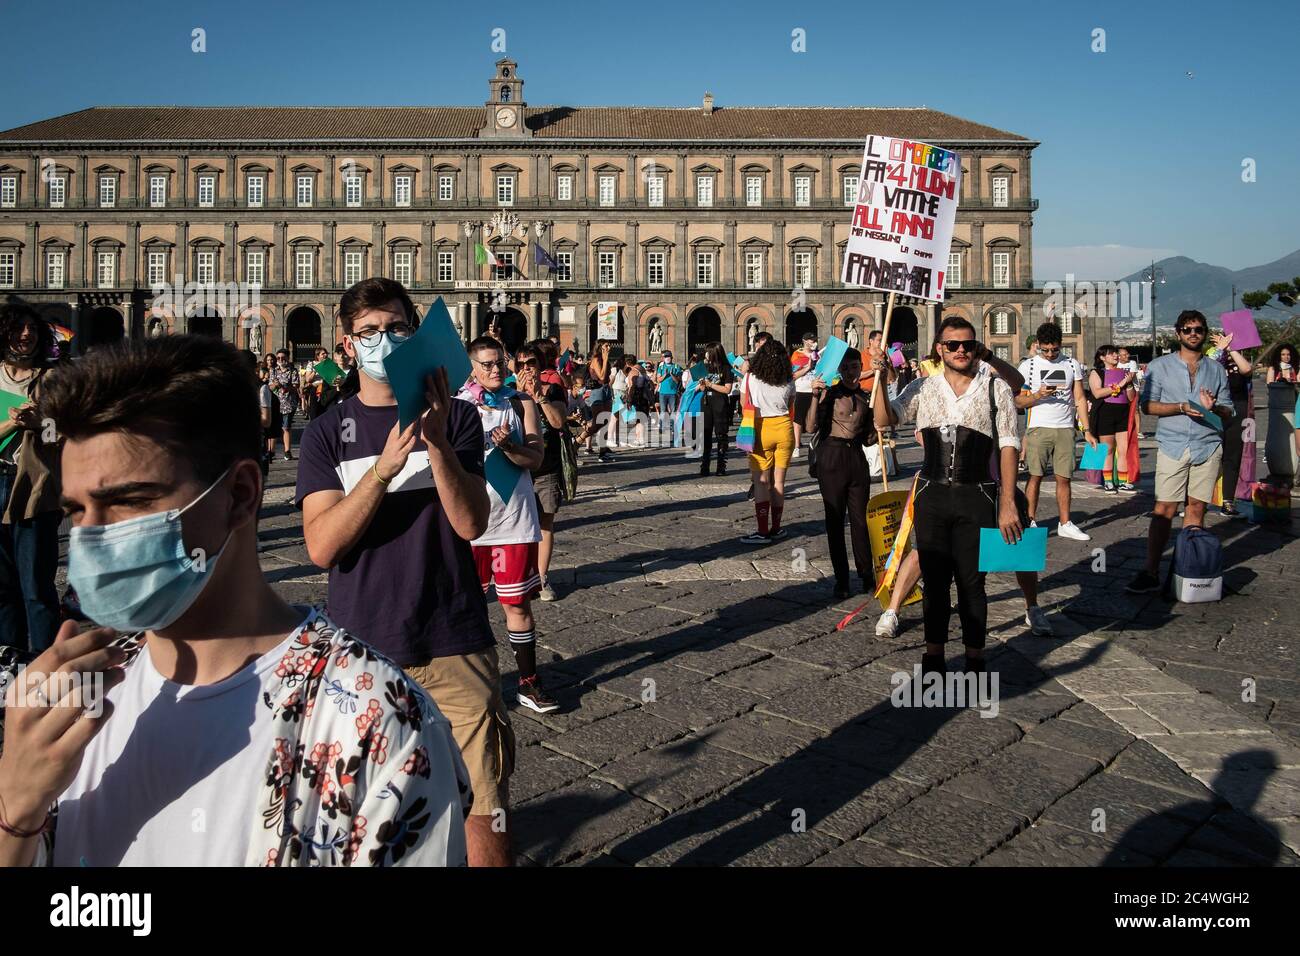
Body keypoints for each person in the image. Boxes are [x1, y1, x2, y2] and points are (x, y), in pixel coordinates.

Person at [0, 333, 470, 867]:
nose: (93, 538)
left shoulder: (380, 725)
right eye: (77, 511)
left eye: (127, 501)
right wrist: (16, 810)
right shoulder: (72, 698)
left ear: (241, 494)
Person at [296, 277, 512, 867]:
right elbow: (321, 546)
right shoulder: (324, 434)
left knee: (482, 803)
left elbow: (470, 523)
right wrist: (383, 470)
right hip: (361, 646)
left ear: (415, 335)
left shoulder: (460, 418)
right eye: (367, 333)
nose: (382, 341)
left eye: (394, 328)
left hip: (453, 639)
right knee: (362, 809)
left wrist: (437, 443)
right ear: (346, 345)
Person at [873, 317, 1021, 673]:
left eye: (967, 345)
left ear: (976, 348)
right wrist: (879, 378)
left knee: (973, 582)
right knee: (936, 582)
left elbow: (1010, 445)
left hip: (978, 495)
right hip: (932, 494)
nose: (960, 351)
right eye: (952, 345)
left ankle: (974, 658)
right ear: (939, 348)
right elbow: (884, 420)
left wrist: (1008, 502)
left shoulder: (994, 388)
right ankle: (934, 656)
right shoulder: (923, 388)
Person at [457, 337, 558, 715]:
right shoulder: (457, 406)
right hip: (469, 523)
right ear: (472, 369)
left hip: (514, 519)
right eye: (487, 364)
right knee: (466, 607)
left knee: (517, 604)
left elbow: (535, 457)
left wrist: (511, 448)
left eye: (500, 362)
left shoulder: (521, 402)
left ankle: (529, 682)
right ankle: (474, 684)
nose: (496, 369)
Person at [1126, 310, 1233, 594]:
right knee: (1164, 509)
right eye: (1187, 330)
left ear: (1205, 332)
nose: (1193, 334)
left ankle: (1188, 568)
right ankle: (1150, 570)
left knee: (1197, 508)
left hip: (1208, 444)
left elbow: (1229, 409)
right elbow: (1147, 406)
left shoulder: (1216, 369)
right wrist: (1181, 407)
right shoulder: (1160, 367)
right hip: (1173, 444)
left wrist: (1215, 408)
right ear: (1178, 334)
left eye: (1198, 329)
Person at [0, 301, 65, 653]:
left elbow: (64, 434)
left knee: (36, 586)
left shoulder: (51, 379)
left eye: (32, 329)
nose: (26, 334)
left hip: (33, 487)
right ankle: (6, 661)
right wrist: (12, 422)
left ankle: (43, 663)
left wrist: (40, 423)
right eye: (18, 328)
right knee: (1, 586)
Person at [1016, 322, 1096, 541]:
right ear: (1038, 345)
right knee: (1035, 476)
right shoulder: (1028, 366)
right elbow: (1019, 401)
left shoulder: (1071, 364)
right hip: (1038, 428)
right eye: (1045, 349)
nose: (1050, 354)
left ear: (1060, 346)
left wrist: (1086, 430)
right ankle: (1030, 521)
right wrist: (1038, 395)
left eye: (1054, 349)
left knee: (1064, 477)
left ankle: (1065, 522)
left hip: (1065, 428)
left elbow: (1079, 398)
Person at [806, 348, 874, 599]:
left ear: (860, 367)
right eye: (845, 368)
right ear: (839, 370)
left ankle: (867, 575)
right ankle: (842, 580)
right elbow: (810, 426)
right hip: (831, 456)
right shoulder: (830, 395)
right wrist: (814, 397)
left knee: (861, 520)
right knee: (835, 521)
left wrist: (877, 429)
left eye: (854, 367)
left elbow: (868, 440)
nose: (850, 372)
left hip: (856, 457)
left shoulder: (868, 397)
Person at [517, 342, 567, 603]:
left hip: (546, 468)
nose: (527, 369)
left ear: (540, 365)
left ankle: (542, 577)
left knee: (545, 523)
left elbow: (558, 423)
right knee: (517, 524)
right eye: (521, 364)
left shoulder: (554, 389)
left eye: (531, 363)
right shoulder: (508, 393)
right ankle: (519, 574)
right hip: (516, 468)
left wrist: (539, 397)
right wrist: (516, 393)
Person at [740, 338, 795, 544]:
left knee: (761, 482)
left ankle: (762, 531)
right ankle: (777, 528)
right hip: (784, 428)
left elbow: (744, 403)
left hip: (760, 428)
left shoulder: (750, 378)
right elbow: (790, 404)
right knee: (779, 482)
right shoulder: (788, 378)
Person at [1086, 345, 1138, 494]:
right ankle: (1108, 481)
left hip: (1122, 412)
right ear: (1102, 357)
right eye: (1111, 354)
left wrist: (1128, 384)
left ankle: (1123, 481)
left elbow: (1131, 397)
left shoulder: (1124, 373)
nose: (1115, 356)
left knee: (1123, 449)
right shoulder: (1097, 373)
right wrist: (1121, 384)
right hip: (1105, 413)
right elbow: (1097, 393)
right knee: (1107, 449)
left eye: (1116, 353)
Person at [1212, 331, 1254, 517]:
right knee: (1210, 457)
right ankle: (1198, 501)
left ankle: (1228, 501)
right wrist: (1220, 349)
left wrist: (1232, 349)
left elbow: (1247, 370)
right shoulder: (1213, 356)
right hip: (1216, 409)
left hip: (1238, 410)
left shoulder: (1239, 358)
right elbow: (1208, 369)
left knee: (1232, 456)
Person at [696, 343, 734, 476]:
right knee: (705, 434)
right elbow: (701, 388)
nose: (706, 354)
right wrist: (702, 385)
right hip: (706, 402)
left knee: (721, 434)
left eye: (708, 352)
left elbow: (727, 389)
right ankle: (704, 465)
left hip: (720, 402)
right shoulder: (704, 367)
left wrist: (711, 384)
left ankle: (721, 466)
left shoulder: (726, 368)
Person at [1264, 343, 1298, 485]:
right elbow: (1269, 384)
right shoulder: (1273, 368)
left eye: (1288, 354)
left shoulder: (1295, 369)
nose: (1286, 357)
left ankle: (1292, 470)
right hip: (1277, 410)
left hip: (1293, 407)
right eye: (1283, 354)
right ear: (1279, 356)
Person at [268, 348, 302, 461]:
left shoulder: (293, 371)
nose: (280, 360)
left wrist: (285, 388)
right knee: (272, 427)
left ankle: (287, 451)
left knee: (286, 427)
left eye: (283, 358)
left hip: (288, 403)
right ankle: (271, 451)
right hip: (274, 402)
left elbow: (296, 386)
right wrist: (275, 385)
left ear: (287, 358)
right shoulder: (273, 371)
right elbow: (270, 386)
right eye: (278, 358)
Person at [790, 332, 819, 459]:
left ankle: (816, 443)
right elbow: (793, 375)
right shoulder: (797, 354)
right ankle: (796, 445)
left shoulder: (817, 355)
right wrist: (808, 366)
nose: (813, 342)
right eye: (811, 341)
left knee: (815, 417)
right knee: (798, 418)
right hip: (801, 389)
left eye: (814, 340)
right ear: (804, 341)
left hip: (815, 389)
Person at [655, 350, 684, 448]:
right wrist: (665, 375)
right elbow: (658, 380)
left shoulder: (676, 367)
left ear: (671, 357)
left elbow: (678, 381)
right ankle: (662, 427)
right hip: (663, 393)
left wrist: (672, 375)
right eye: (665, 357)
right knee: (663, 411)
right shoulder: (661, 367)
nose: (667, 358)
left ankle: (672, 428)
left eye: (669, 356)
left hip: (673, 393)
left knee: (673, 412)